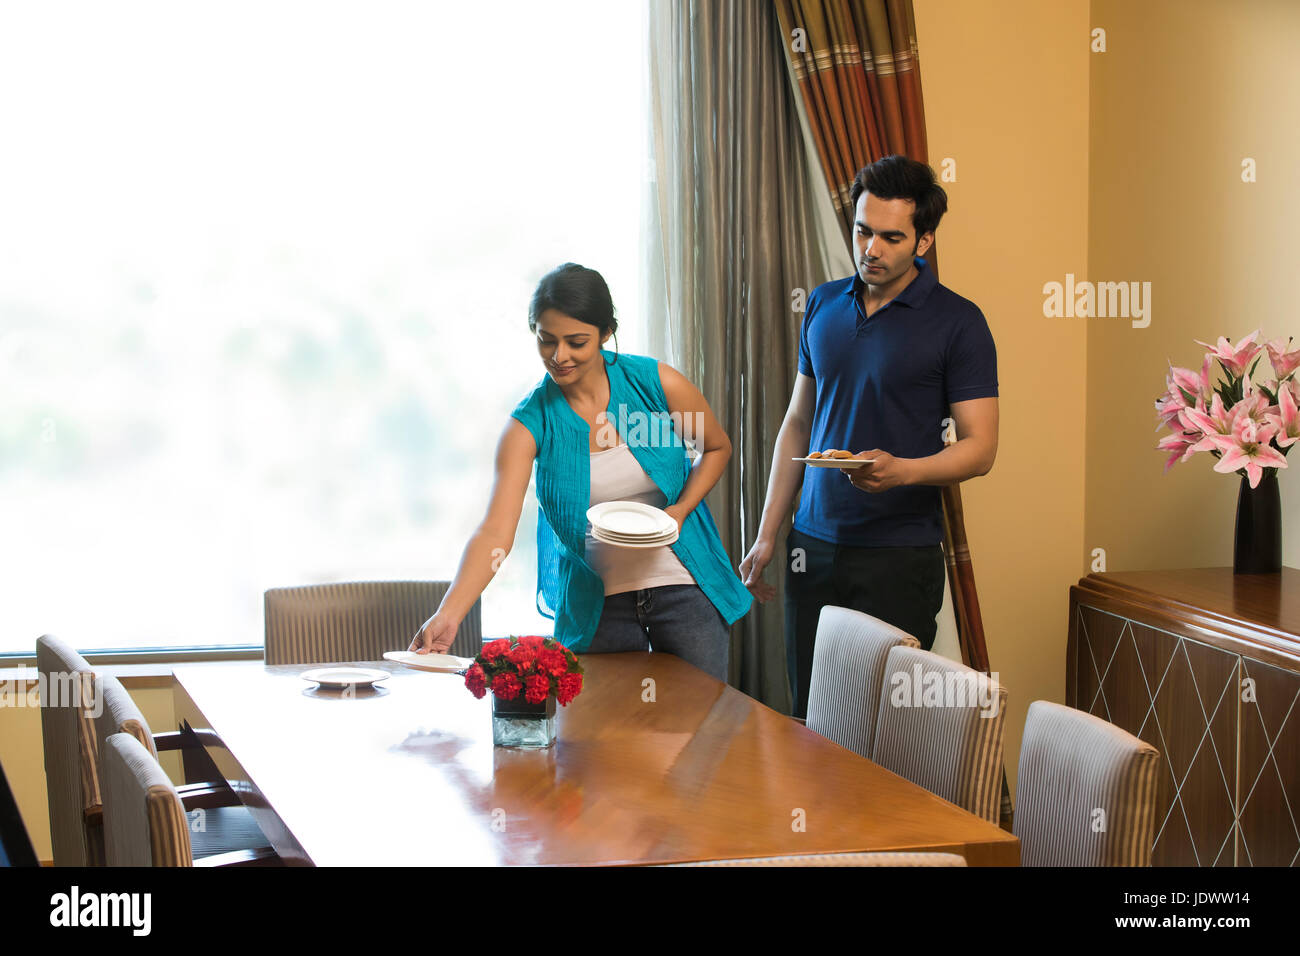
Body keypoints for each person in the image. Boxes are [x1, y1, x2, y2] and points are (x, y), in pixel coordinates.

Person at [738, 155, 999, 719]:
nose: (870, 249)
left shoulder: (960, 322)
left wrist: (903, 471)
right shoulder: (823, 303)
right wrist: (767, 535)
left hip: (898, 555)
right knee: (809, 719)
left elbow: (981, 449)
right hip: (812, 545)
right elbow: (798, 422)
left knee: (884, 729)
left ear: (924, 241)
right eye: (862, 231)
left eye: (890, 237)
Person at [410, 263, 752, 680]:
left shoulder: (656, 384)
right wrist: (449, 613)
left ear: (606, 332)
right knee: (601, 721)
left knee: (698, 716)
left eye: (576, 342)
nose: (559, 356)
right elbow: (495, 533)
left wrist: (680, 510)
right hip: (597, 607)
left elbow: (715, 447)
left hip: (684, 588)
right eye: (546, 340)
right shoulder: (528, 425)